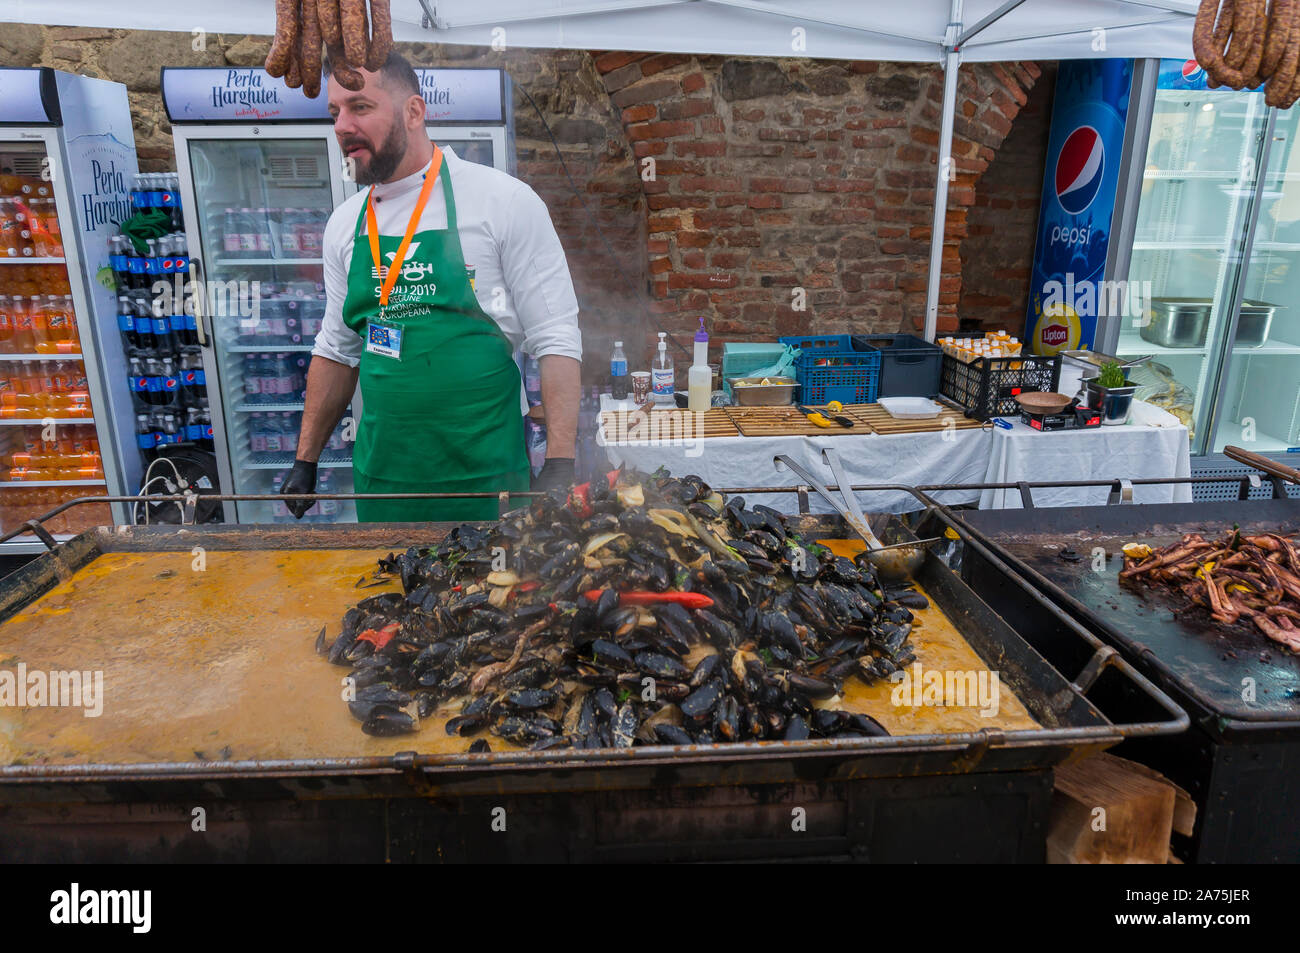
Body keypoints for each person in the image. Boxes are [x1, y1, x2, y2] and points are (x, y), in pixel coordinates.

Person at [280, 52, 582, 522]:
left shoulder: (502, 202)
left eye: (359, 107)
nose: (340, 125)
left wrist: (561, 461)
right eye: (334, 112)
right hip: (384, 486)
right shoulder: (345, 225)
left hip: (486, 483)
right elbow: (337, 350)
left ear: (414, 112)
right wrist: (306, 458)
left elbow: (557, 336)